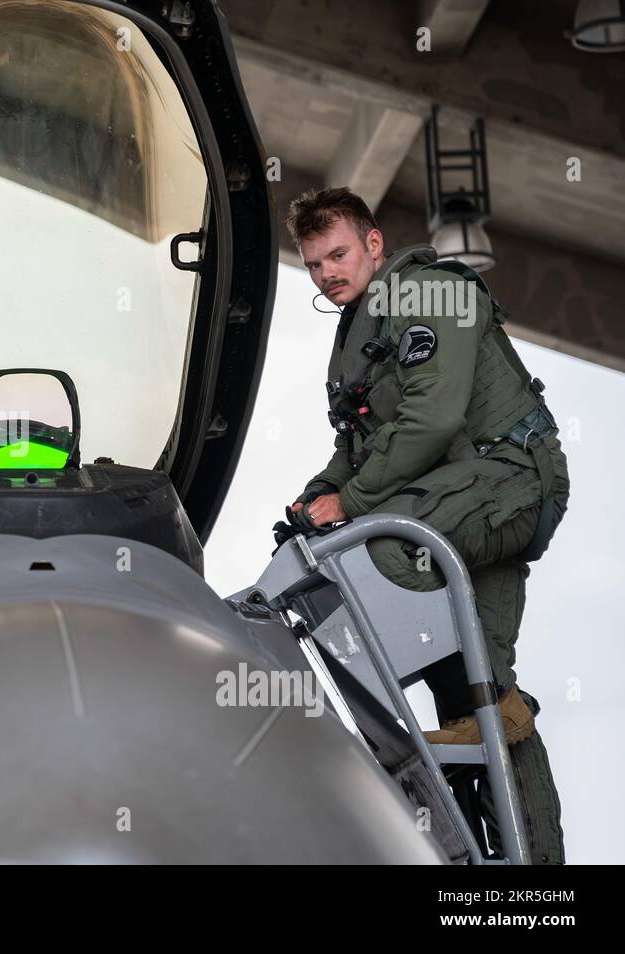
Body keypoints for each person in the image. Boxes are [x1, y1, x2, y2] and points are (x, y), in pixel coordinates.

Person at [285, 186, 569, 863]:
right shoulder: (357, 336)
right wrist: (315, 498)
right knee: (474, 687)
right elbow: (352, 449)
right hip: (457, 497)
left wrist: (349, 505)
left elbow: (435, 420)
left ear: (373, 244)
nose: (329, 273)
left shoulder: (427, 294)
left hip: (511, 480)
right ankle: (531, 874)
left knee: (380, 552)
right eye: (316, 264)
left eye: (340, 254)